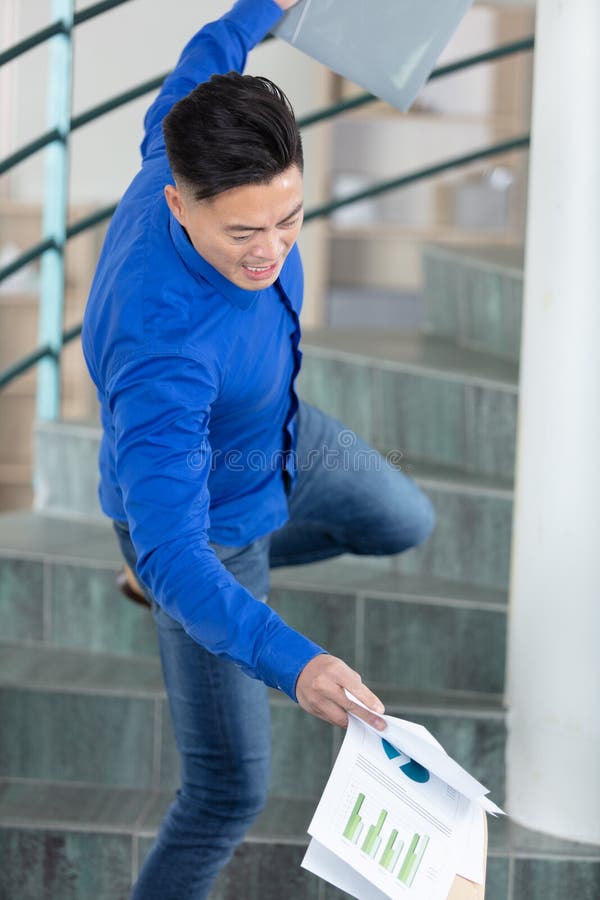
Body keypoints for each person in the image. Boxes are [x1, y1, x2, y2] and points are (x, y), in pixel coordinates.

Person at [82, 0, 435, 896]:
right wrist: (295, 659)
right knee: (228, 792)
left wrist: (266, 4)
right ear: (176, 199)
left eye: (289, 220)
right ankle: (182, 601)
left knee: (403, 518)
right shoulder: (161, 348)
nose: (271, 252)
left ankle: (179, 600)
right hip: (203, 515)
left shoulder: (184, 130)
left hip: (281, 434)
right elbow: (172, 543)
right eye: (243, 233)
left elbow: (210, 48)